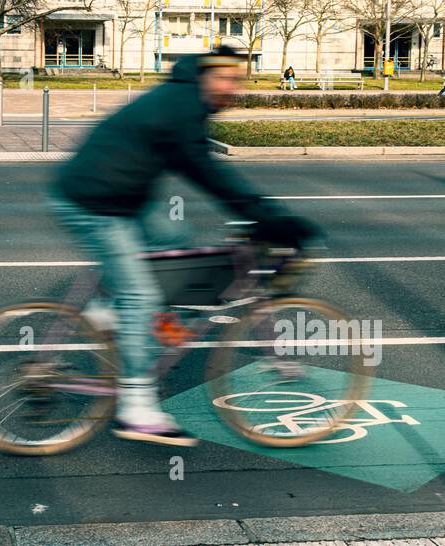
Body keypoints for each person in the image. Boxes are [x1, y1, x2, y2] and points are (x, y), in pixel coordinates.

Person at [51, 46, 318, 447]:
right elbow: (208, 173)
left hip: (123, 195)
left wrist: (260, 214)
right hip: (94, 202)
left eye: (238, 80)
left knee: (176, 247)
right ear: (206, 77)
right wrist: (271, 219)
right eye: (226, 79)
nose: (233, 88)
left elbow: (204, 170)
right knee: (140, 293)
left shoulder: (182, 99)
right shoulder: (181, 107)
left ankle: (109, 311)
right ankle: (136, 408)